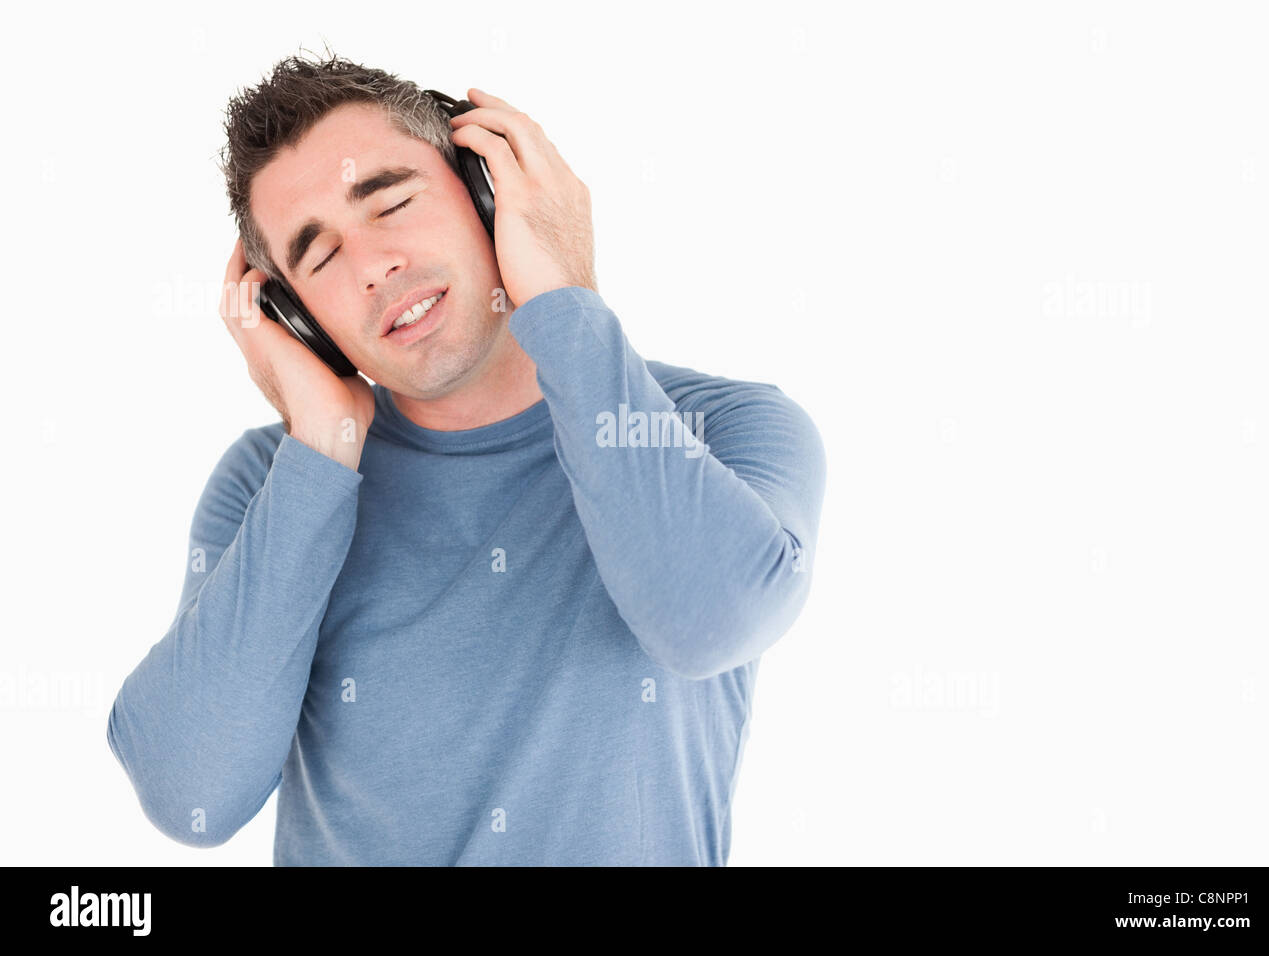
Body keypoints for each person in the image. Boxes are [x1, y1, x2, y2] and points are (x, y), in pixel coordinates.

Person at [106, 51, 826, 866]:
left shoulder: (719, 428)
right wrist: (319, 456)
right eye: (319, 256)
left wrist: (565, 297)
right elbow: (189, 796)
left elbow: (709, 620)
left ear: (488, 193)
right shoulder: (272, 482)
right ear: (296, 319)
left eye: (393, 203)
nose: (374, 266)